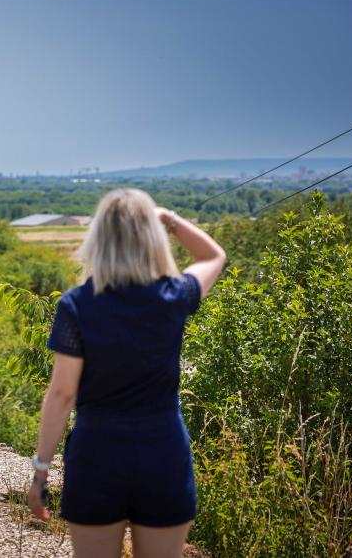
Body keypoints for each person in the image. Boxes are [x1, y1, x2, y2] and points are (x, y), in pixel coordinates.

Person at [26, 188, 226, 558]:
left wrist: (41, 471)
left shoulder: (76, 305)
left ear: (98, 239)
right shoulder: (174, 297)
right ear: (151, 238)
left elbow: (61, 395)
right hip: (162, 454)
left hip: (96, 457)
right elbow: (214, 255)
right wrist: (168, 219)